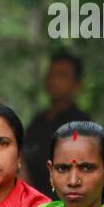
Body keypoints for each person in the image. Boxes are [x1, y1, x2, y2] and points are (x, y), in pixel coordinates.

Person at [22, 52, 90, 197]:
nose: (53, 80)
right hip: (32, 204)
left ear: (77, 85)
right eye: (51, 74)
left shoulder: (82, 125)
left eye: (62, 76)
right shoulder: (37, 122)